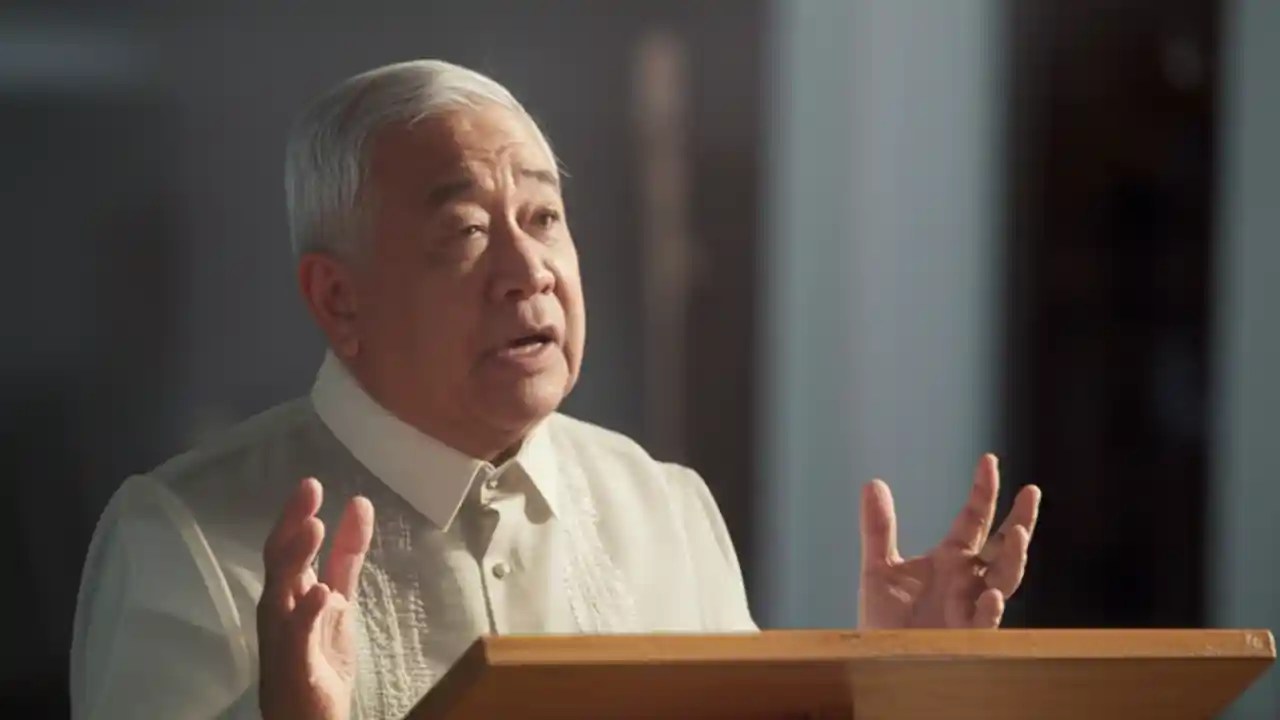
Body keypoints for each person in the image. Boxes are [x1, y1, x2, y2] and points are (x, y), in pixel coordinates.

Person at [70, 59, 1041, 720]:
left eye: (542, 214)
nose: (528, 269)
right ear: (338, 298)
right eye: (462, 233)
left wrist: (893, 691)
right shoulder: (181, 536)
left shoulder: (666, 508)